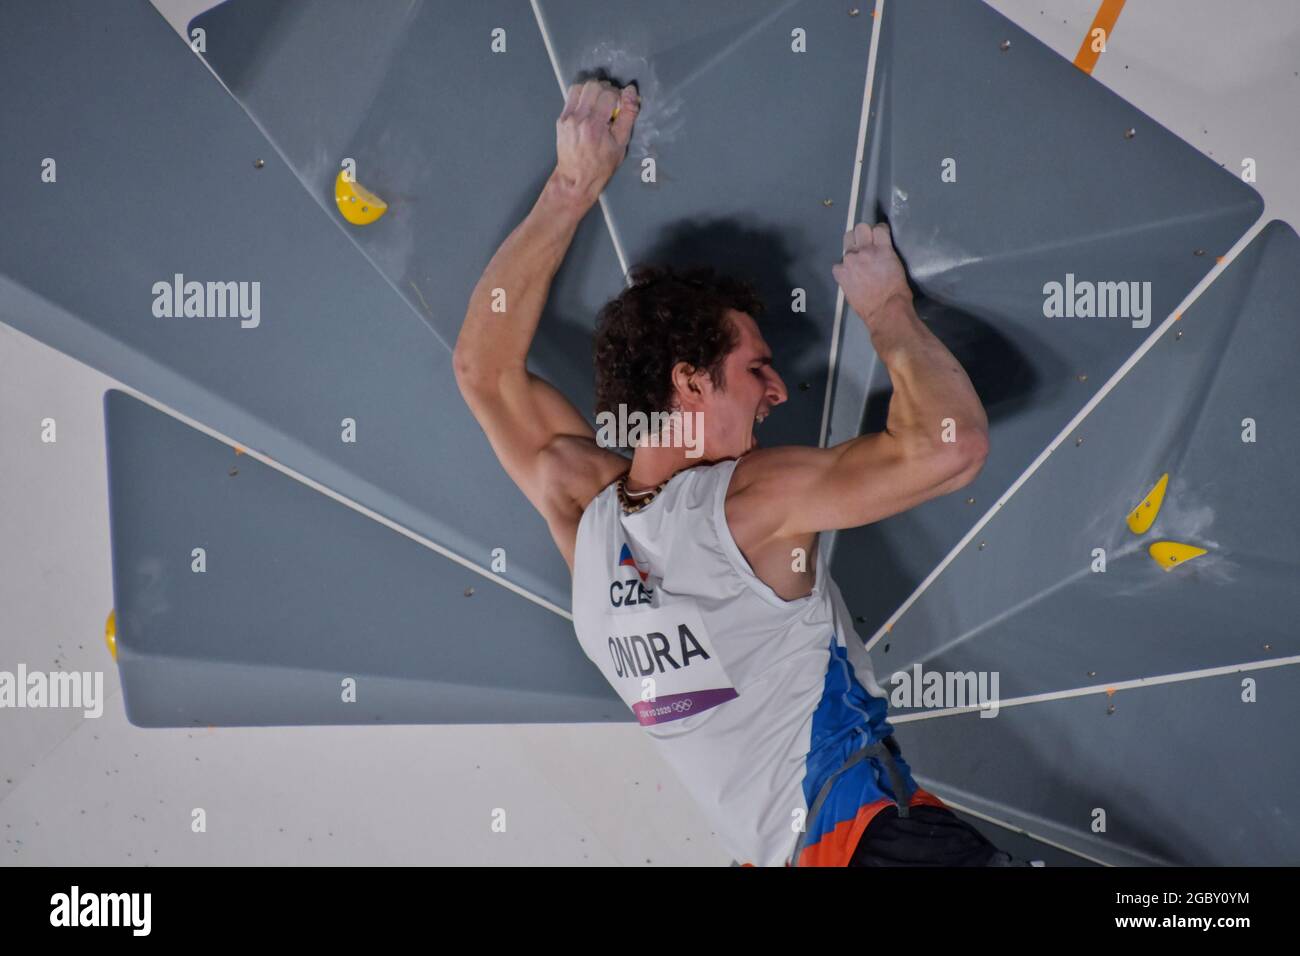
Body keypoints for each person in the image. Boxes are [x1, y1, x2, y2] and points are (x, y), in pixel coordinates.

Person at [454, 78, 1014, 866]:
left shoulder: (585, 512)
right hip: (863, 842)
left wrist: (571, 187)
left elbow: (485, 372)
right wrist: (888, 311)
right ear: (689, 382)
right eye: (756, 369)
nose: (779, 391)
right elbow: (952, 446)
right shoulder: (749, 503)